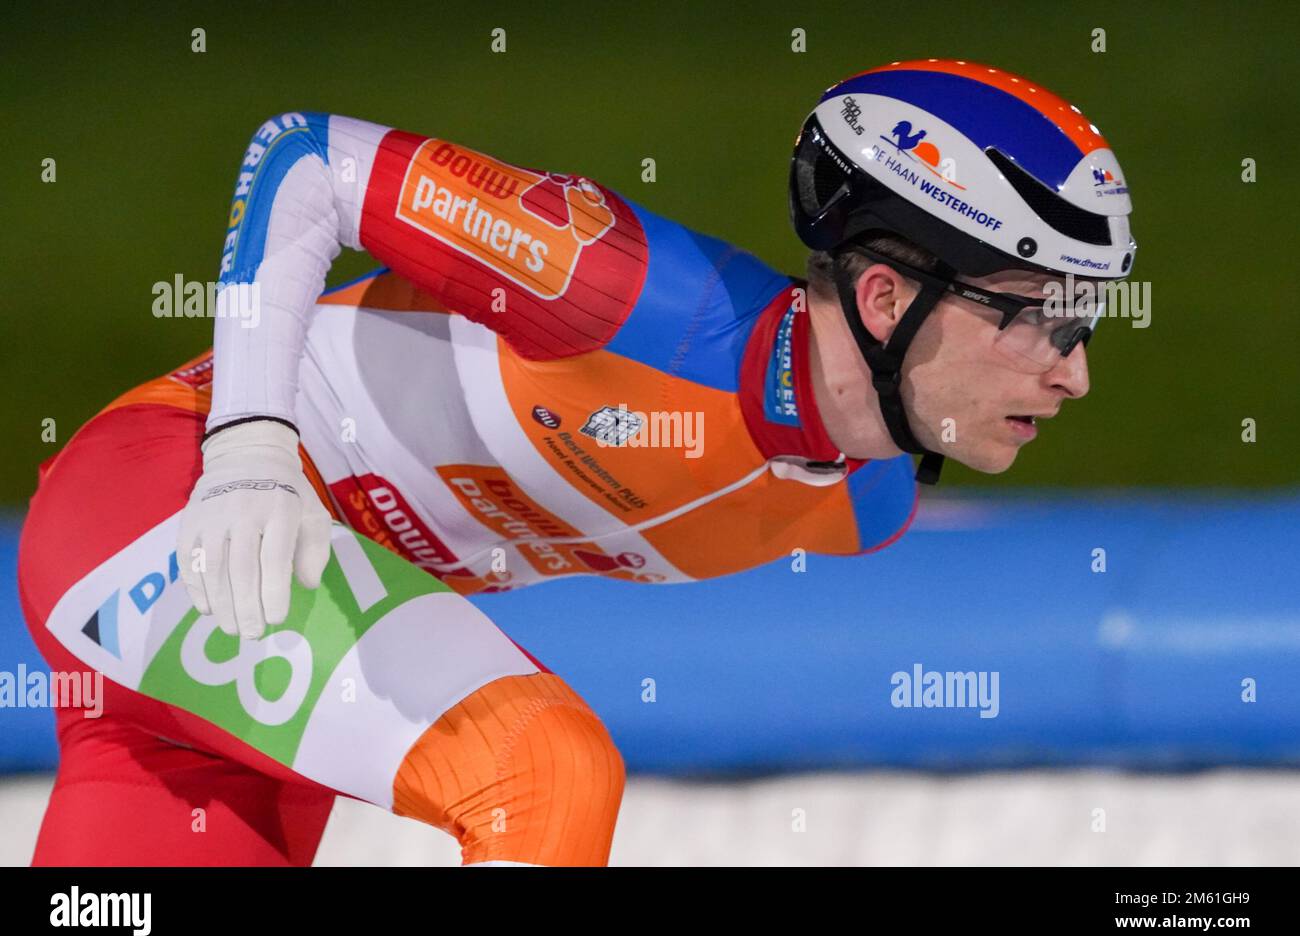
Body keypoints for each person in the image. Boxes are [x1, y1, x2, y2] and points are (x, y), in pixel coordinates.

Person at [16, 59, 1135, 866]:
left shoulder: (867, 502)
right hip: (176, 504)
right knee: (541, 769)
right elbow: (305, 161)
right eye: (1042, 320)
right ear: (889, 298)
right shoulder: (614, 286)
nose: (1072, 374)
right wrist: (251, 449)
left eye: (1085, 327)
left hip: (232, 650)